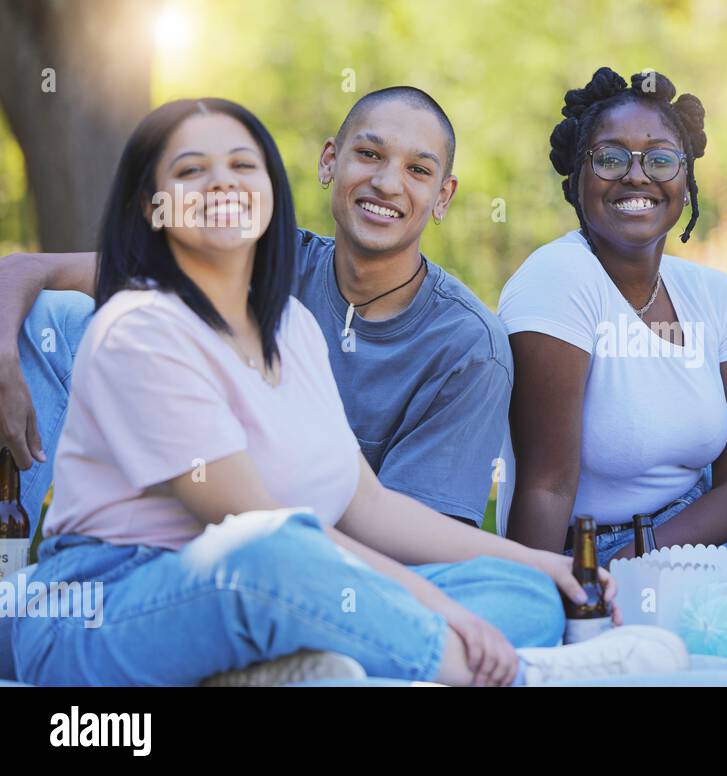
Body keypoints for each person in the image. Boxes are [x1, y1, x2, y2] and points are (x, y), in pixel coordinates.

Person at [10, 98, 687, 687]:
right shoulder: (142, 328)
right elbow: (256, 525)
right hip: (118, 597)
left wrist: (548, 564)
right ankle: (519, 673)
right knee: (271, 556)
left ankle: (292, 665)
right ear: (154, 203)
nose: (223, 184)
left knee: (523, 595)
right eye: (192, 171)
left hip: (292, 582)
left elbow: (366, 503)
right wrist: (437, 606)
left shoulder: (290, 324)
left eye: (243, 166)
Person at [0, 86, 510, 529]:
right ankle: (9, 554)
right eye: (370, 155)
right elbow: (26, 270)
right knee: (52, 318)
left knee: (520, 597)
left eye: (418, 170)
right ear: (329, 161)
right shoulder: (254, 263)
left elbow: (405, 537)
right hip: (217, 531)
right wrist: (3, 359)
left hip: (335, 565)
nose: (387, 183)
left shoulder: (469, 347)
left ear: (443, 197)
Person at [498, 67, 727, 566]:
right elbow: (546, 489)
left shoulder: (714, 295)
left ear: (686, 179)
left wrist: (650, 561)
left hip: (702, 539)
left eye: (662, 159)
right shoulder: (558, 280)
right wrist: (562, 593)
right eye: (610, 157)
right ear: (576, 179)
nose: (637, 174)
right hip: (587, 551)